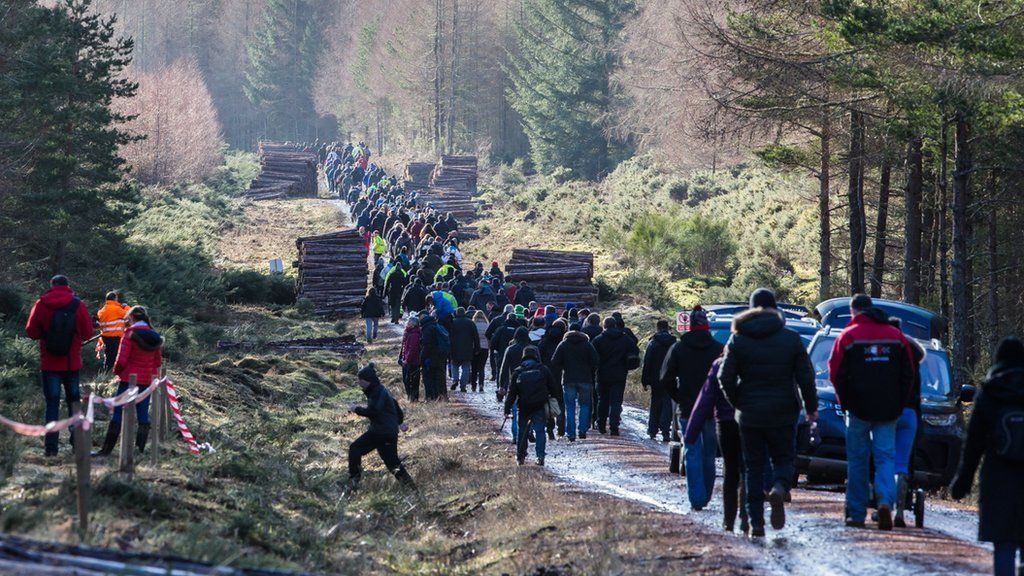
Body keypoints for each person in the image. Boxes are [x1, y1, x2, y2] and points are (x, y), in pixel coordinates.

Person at [718, 288, 817, 537]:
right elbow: (806, 377)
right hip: (783, 412)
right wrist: (811, 408)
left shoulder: (738, 338)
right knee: (783, 458)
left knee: (753, 467)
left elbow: (724, 377)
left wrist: (739, 401)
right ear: (775, 309)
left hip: (749, 415)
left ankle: (756, 524)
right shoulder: (791, 338)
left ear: (750, 308)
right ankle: (780, 487)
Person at [827, 294, 914, 530]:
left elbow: (835, 373)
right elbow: (908, 373)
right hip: (888, 409)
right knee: (886, 458)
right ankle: (885, 502)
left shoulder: (848, 336)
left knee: (857, 460)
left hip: (857, 409)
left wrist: (844, 401)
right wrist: (898, 402)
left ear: (853, 311)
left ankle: (856, 514)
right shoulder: (896, 337)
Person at [950, 336, 1024, 576]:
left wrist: (962, 482)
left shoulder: (990, 392)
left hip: (998, 477)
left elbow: (974, 443)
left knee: (1003, 542)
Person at [661, 306, 724, 510]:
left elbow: (666, 378)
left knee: (692, 451)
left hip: (688, 408)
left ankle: (697, 498)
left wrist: (678, 397)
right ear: (707, 325)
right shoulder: (718, 348)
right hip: (712, 409)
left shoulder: (679, 348)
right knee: (709, 454)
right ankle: (705, 494)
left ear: (689, 325)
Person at [24, 275, 93, 456]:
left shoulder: (41, 304)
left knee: (52, 404)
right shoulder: (78, 305)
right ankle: (77, 443)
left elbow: (31, 331)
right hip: (71, 363)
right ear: (68, 286)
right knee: (74, 403)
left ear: (51, 285)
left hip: (49, 364)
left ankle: (51, 448)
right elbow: (87, 333)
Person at [687, 358, 747, 533]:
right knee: (748, 469)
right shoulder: (756, 360)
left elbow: (706, 398)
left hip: (726, 422)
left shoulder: (721, 363)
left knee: (730, 472)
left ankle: (728, 521)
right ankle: (746, 518)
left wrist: (691, 432)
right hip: (750, 421)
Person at [93, 306, 163, 457]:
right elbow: (157, 362)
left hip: (127, 379)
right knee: (143, 414)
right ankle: (139, 452)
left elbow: (121, 359)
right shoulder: (155, 336)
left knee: (118, 412)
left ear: (131, 318)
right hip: (145, 381)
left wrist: (117, 372)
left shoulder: (129, 334)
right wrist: (151, 377)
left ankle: (107, 450)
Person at [347, 363, 415, 490]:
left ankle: (353, 482)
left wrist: (356, 409)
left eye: (360, 380)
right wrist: (399, 423)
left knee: (355, 448)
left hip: (380, 432)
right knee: (393, 463)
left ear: (367, 380)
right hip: (387, 432)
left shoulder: (376, 392)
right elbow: (395, 406)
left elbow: (374, 411)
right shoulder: (380, 389)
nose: (359, 383)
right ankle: (412, 489)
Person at [504, 346, 559, 466]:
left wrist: (507, 408)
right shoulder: (543, 369)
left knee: (522, 431)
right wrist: (553, 399)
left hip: (524, 407)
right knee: (540, 431)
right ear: (536, 356)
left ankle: (520, 456)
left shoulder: (518, 371)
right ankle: (540, 456)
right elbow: (553, 387)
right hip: (540, 405)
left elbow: (512, 393)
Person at [550, 324, 599, 441]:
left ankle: (571, 433)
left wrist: (563, 367)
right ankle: (582, 430)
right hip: (585, 379)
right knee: (585, 405)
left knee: (570, 407)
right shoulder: (587, 344)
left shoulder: (563, 344)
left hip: (568, 379)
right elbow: (596, 361)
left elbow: (554, 361)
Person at [592, 316, 640, 436]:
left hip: (603, 374)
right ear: (615, 325)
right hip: (620, 374)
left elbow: (592, 357)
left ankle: (601, 425)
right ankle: (614, 427)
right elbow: (635, 350)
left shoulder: (598, 340)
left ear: (604, 326)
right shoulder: (625, 339)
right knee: (616, 402)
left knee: (602, 400)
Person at [642, 320, 675, 442]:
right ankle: (666, 431)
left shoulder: (653, 343)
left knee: (655, 403)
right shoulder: (674, 342)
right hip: (670, 379)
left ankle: (652, 430)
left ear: (657, 328)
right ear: (667, 328)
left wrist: (644, 380)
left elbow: (647, 362)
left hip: (655, 379)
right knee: (667, 404)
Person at [95, 291, 129, 371]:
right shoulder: (117, 309)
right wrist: (126, 307)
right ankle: (115, 373)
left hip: (105, 337)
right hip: (116, 337)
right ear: (115, 299)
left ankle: (106, 373)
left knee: (109, 356)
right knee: (117, 356)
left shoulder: (101, 311)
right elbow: (129, 315)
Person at [419, 312, 450, 401]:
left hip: (432, 356)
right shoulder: (435, 325)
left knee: (430, 377)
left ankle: (431, 397)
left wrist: (422, 357)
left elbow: (427, 345)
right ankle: (442, 396)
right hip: (440, 355)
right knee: (440, 375)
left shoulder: (427, 328)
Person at [449, 308, 480, 392]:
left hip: (454, 348)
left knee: (454, 365)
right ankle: (463, 385)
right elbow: (476, 336)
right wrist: (477, 348)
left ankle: (455, 380)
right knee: (466, 367)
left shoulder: (452, 322)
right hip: (467, 348)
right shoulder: (470, 322)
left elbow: (449, 335)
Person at [399, 316, 422, 401]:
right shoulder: (408, 333)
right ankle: (410, 397)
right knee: (407, 380)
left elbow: (413, 349)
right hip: (408, 360)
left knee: (412, 381)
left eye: (408, 322)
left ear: (412, 324)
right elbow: (404, 347)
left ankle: (413, 398)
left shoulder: (414, 334)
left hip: (413, 362)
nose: (406, 324)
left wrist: (407, 360)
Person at [471, 310, 490, 392]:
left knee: (474, 367)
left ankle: (473, 385)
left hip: (474, 347)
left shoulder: (473, 324)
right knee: (481, 367)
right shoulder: (487, 325)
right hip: (485, 347)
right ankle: (481, 384)